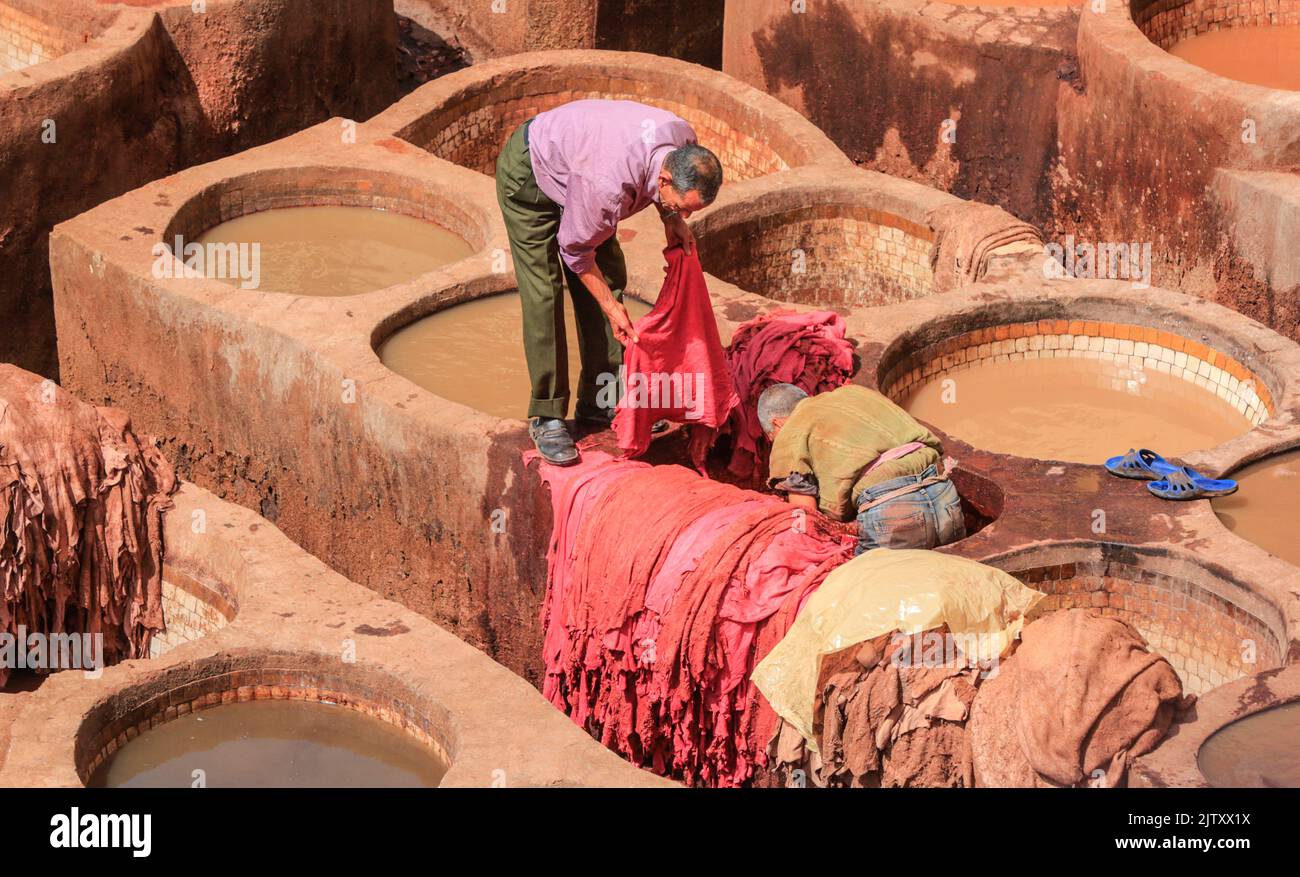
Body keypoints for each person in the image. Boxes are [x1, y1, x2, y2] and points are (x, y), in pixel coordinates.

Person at [495, 98, 724, 465]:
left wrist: (672, 220)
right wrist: (610, 306)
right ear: (664, 180)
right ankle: (547, 415)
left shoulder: (683, 143)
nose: (683, 215)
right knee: (545, 292)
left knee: (611, 275)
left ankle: (600, 400)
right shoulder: (607, 186)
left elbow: (652, 196)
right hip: (532, 176)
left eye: (690, 212)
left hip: (580, 163)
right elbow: (574, 251)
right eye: (681, 208)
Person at [759, 383, 966, 554]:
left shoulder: (790, 431)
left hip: (892, 512)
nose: (775, 442)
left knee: (867, 595)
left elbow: (805, 517)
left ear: (777, 424)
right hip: (943, 493)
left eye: (771, 438)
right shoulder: (853, 393)